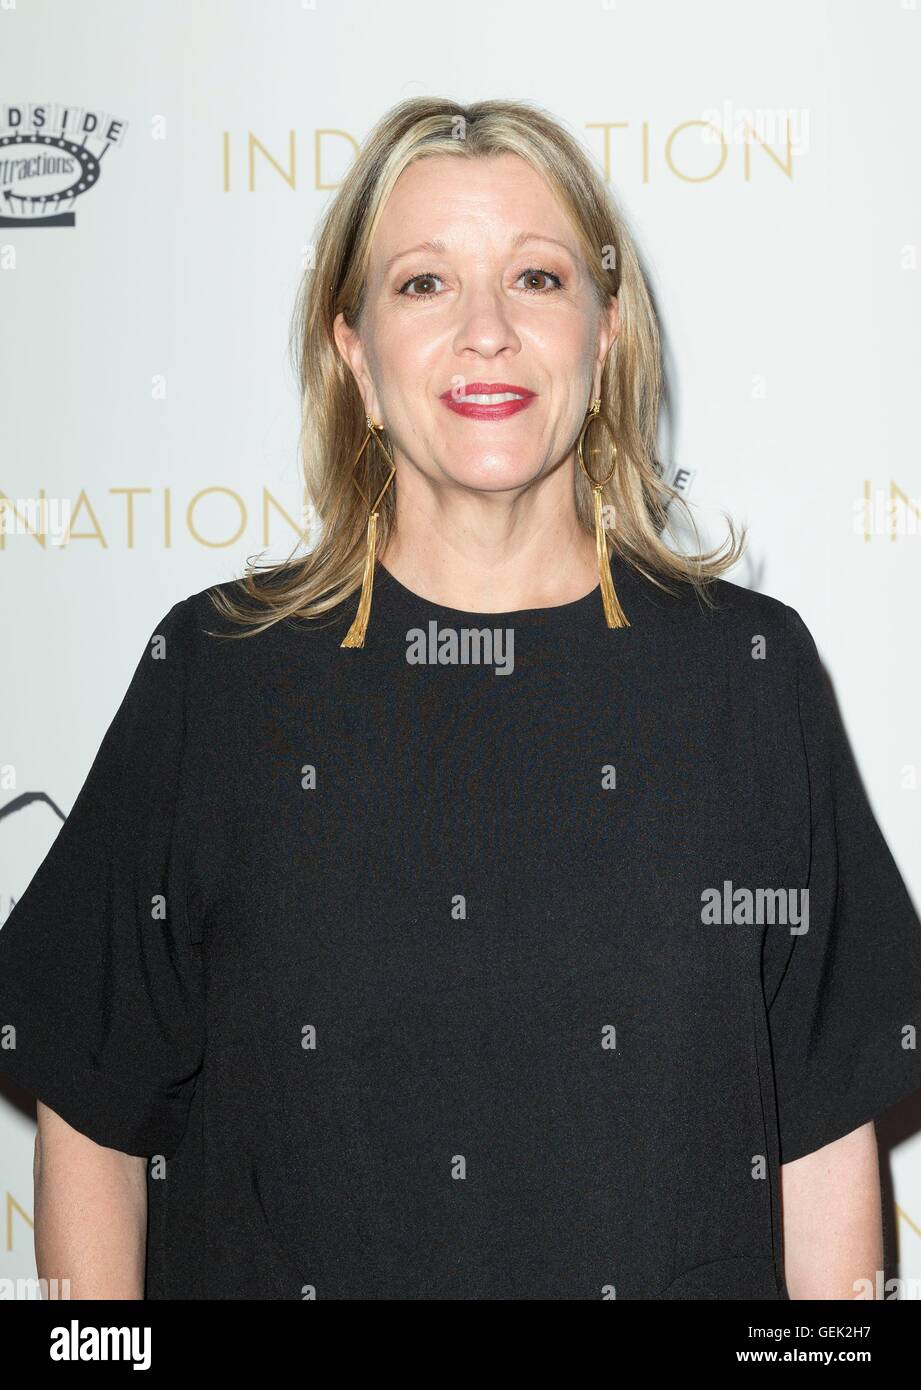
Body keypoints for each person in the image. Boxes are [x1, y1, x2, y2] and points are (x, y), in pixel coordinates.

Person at [2, 96, 921, 1301]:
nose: (486, 332)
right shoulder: (217, 677)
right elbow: (94, 1114)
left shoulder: (746, 676)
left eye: (538, 279)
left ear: (603, 344)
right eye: (425, 284)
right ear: (354, 357)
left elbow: (822, 1141)